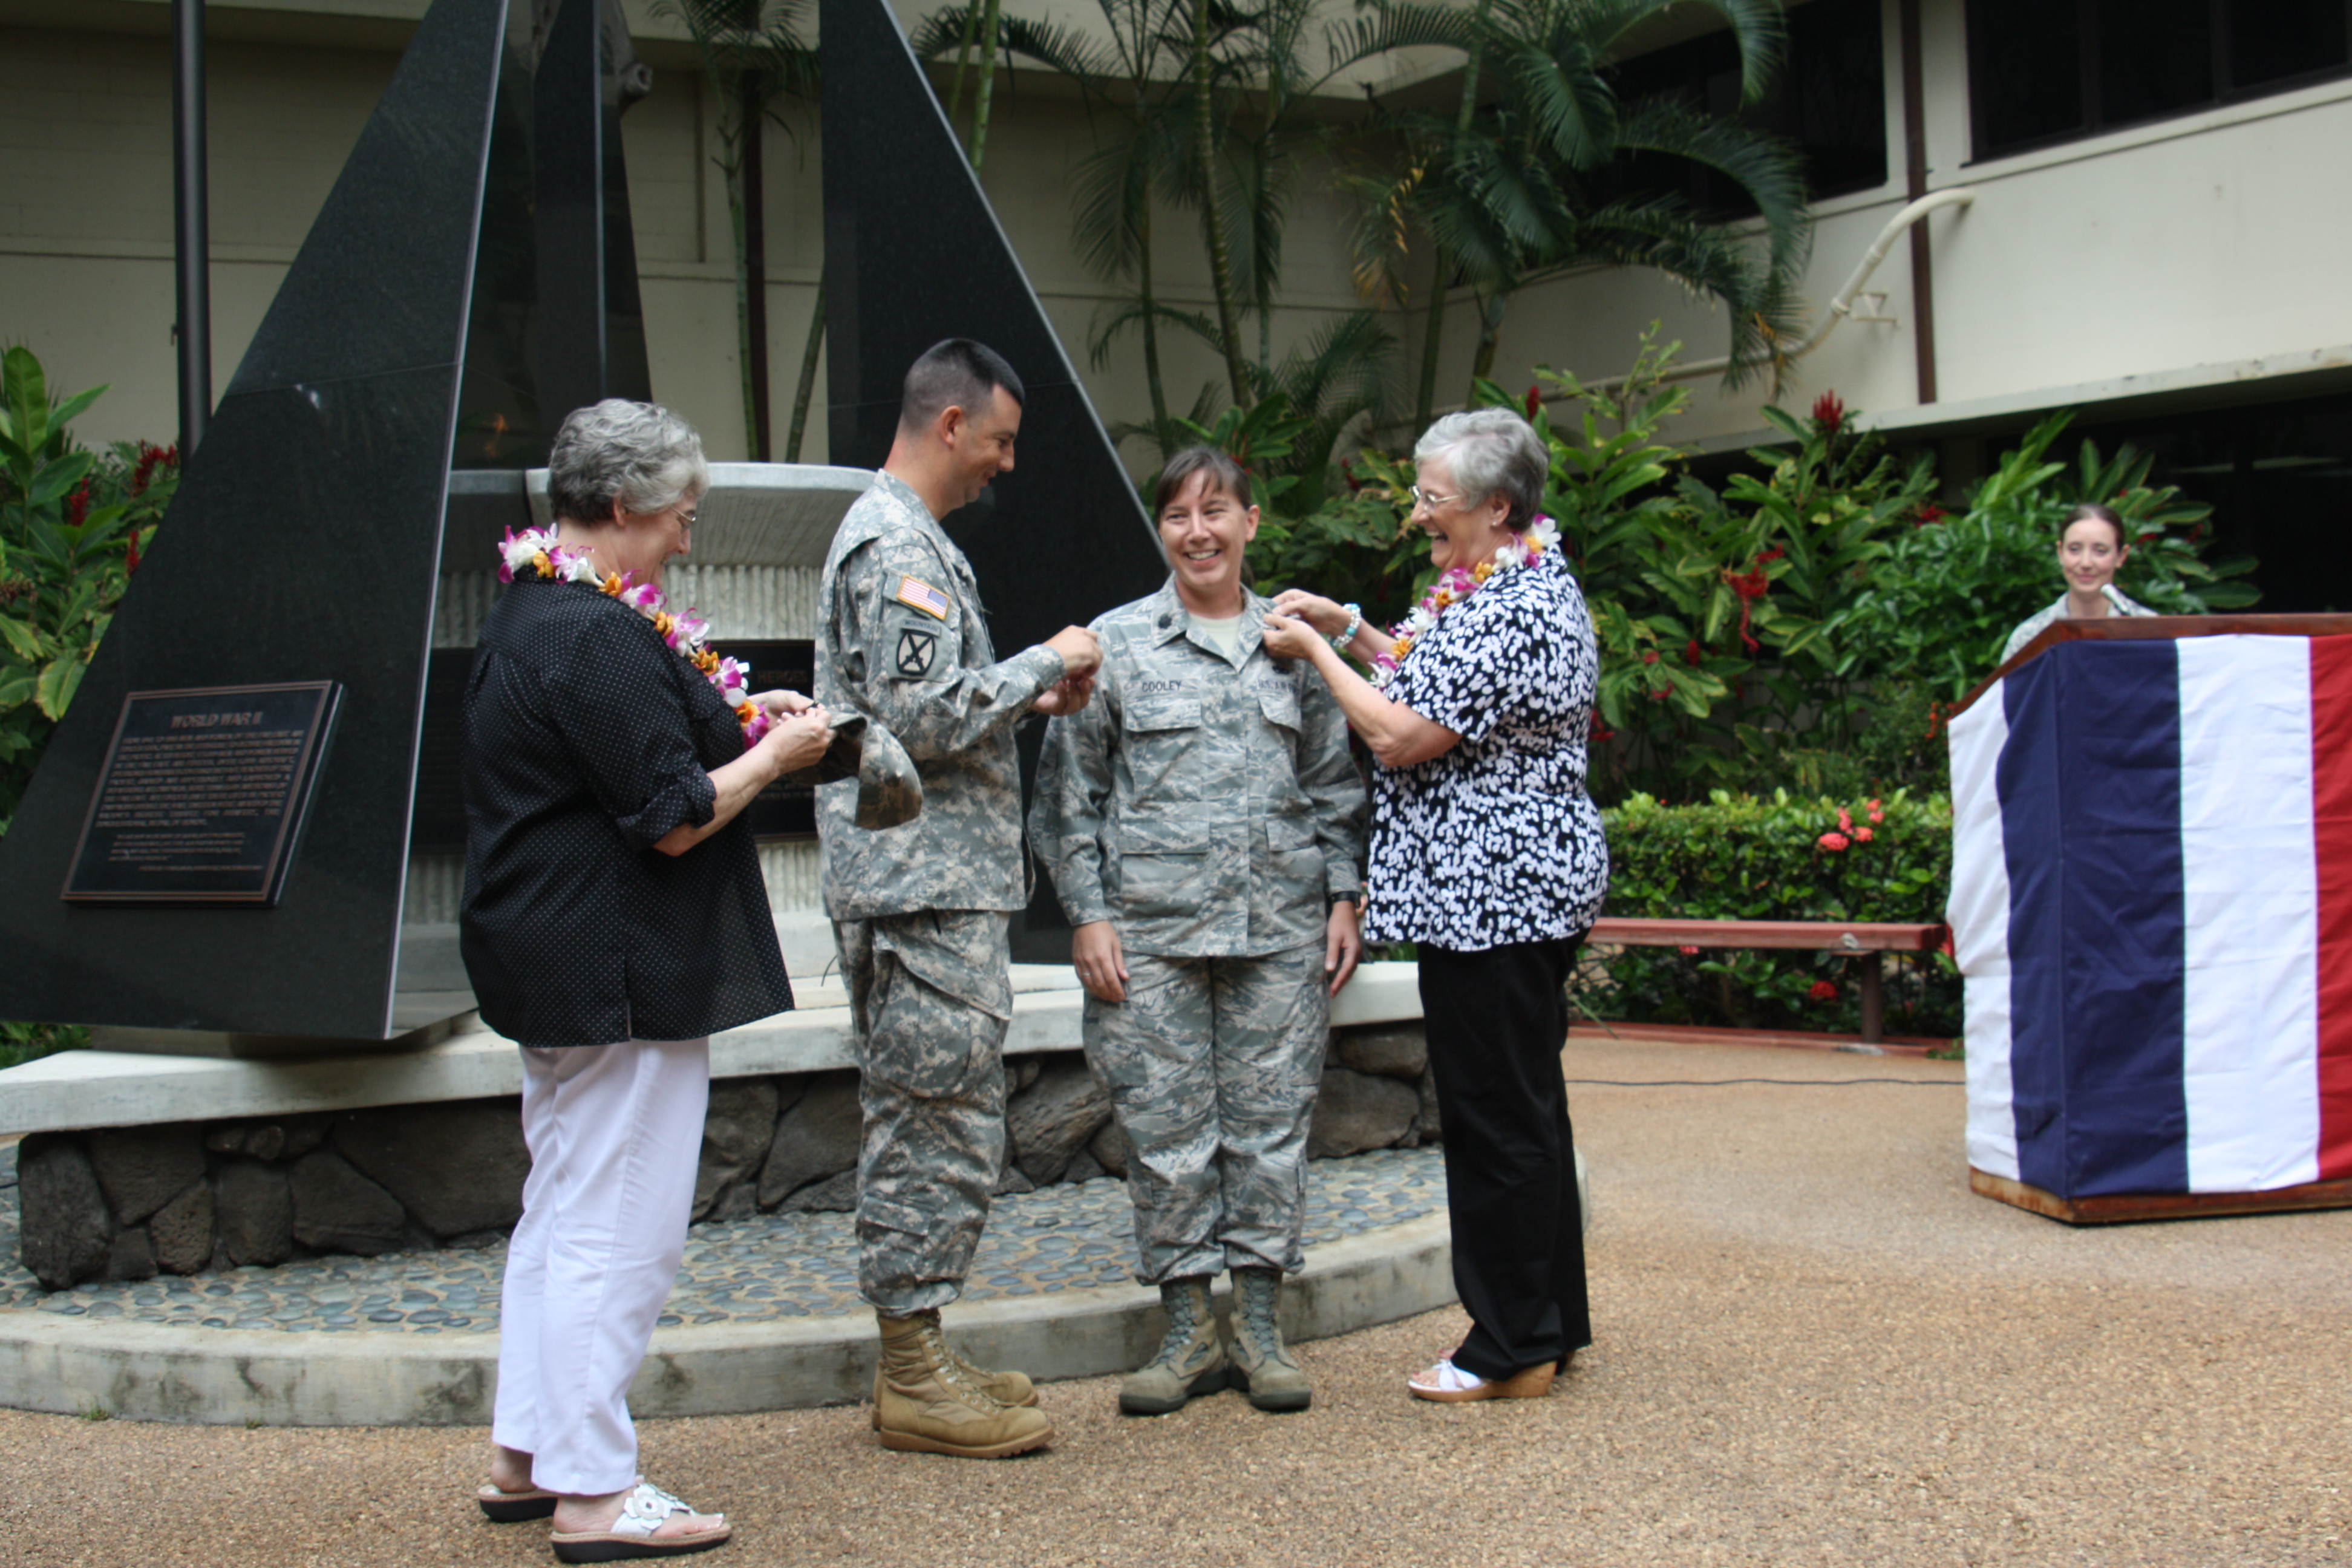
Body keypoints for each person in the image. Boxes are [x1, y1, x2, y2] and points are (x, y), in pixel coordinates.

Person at [462, 399, 833, 1560]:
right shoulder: (590, 630)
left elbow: (629, 752)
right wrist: (773, 757)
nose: (684, 537)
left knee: (562, 1209)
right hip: (616, 967)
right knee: (620, 1227)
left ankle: (528, 1453)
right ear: (619, 506)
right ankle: (592, 1489)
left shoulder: (537, 610)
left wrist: (735, 716)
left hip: (556, 958)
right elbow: (671, 817)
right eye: (677, 515)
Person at [1260, 407, 1607, 1403]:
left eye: (1432, 499)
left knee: (1495, 1119)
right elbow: (1437, 684)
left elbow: (1405, 734)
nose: (1417, 516)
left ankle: (1507, 1346)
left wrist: (1316, 657)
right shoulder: (1509, 582)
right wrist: (1353, 628)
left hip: (1493, 895)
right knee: (1526, 1108)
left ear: (1498, 508)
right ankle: (1546, 1324)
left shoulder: (1509, 605)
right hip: (1511, 891)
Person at [1028, 448, 1368, 1417]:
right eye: (1178, 516)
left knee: (1270, 1125)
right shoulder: (1114, 644)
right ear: (1163, 531)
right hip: (1153, 936)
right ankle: (1185, 1333)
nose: (1199, 532)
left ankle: (1259, 1330)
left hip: (1281, 928)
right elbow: (1071, 795)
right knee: (1167, 1132)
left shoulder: (1293, 644)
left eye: (1217, 511)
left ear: (1252, 523)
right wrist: (1087, 916)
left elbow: (1335, 784)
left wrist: (1343, 895)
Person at [815, 338, 1103, 1459]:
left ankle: (919, 1344)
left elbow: (909, 707)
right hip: (921, 896)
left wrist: (1020, 701)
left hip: (928, 889)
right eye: (998, 440)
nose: (1006, 463)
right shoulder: (896, 546)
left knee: (935, 1115)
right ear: (948, 425)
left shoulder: (905, 536)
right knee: (931, 1124)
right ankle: (911, 1369)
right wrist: (1041, 662)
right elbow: (925, 719)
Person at [1998, 502, 2156, 664]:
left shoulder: (2154, 633)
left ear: (2121, 556)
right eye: (2075, 549)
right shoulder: (2030, 636)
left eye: (2100, 551)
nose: (2086, 563)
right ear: (2060, 553)